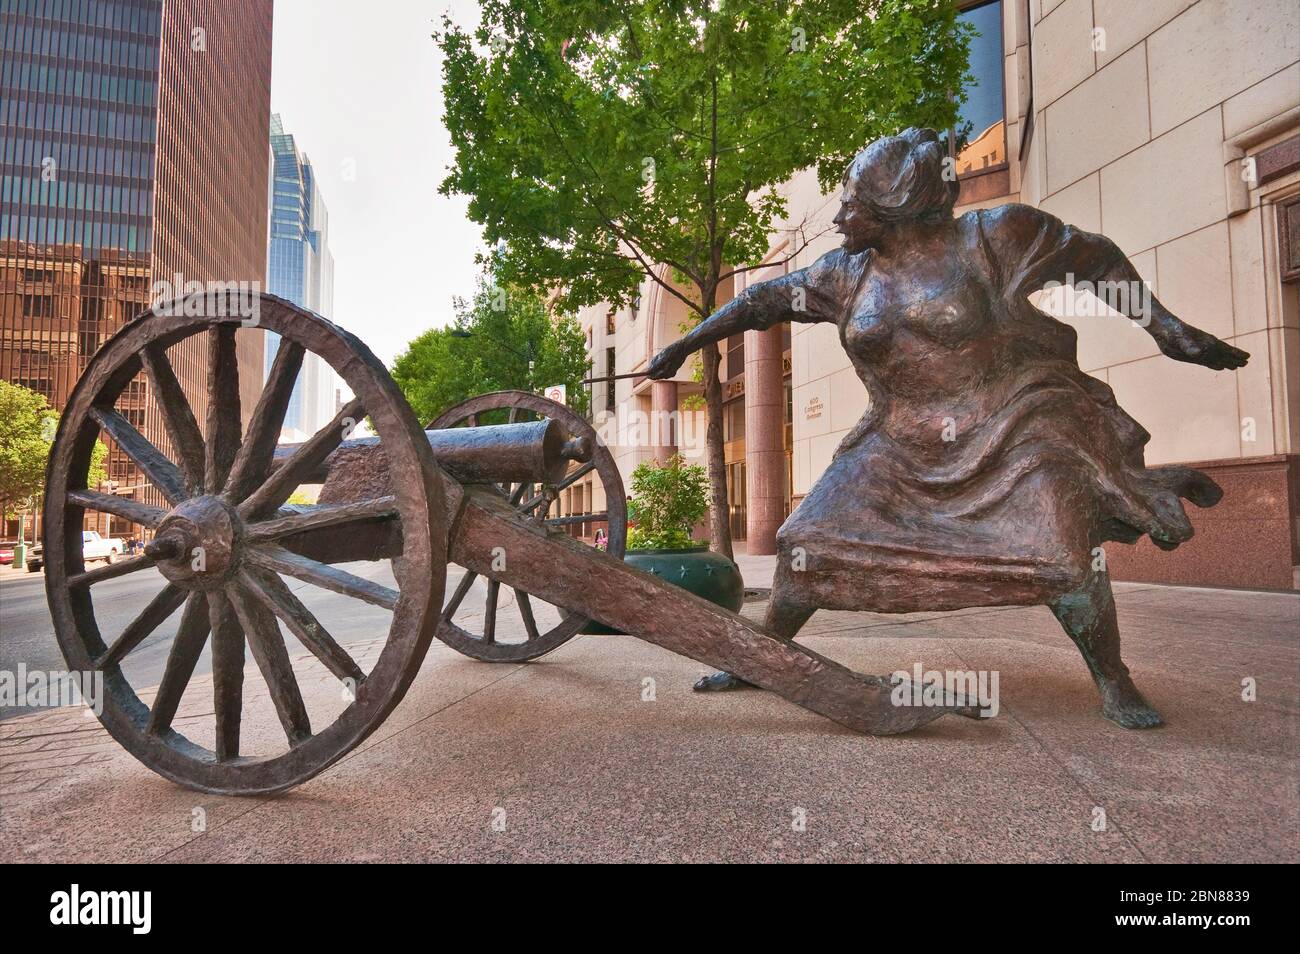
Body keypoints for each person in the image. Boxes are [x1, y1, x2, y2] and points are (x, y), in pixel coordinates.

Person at [647, 127, 1248, 729]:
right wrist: (683, 345)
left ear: (898, 207)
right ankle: (761, 657)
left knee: (1062, 551)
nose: (840, 217)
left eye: (854, 204)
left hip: (1016, 424)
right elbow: (761, 301)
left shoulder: (996, 237)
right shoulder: (843, 274)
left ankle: (1114, 678)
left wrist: (1164, 327)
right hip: (898, 441)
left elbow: (1095, 259)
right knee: (808, 540)